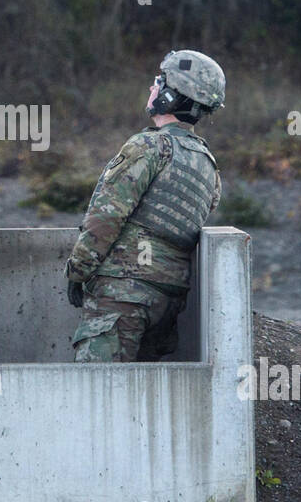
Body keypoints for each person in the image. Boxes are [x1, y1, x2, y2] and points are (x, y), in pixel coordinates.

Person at [65, 50, 226, 362]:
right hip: (168, 300)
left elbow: (106, 217)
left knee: (96, 394)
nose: (152, 89)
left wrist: (78, 270)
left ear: (171, 96)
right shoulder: (207, 162)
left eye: (158, 83)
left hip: (124, 292)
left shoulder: (149, 145)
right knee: (141, 400)